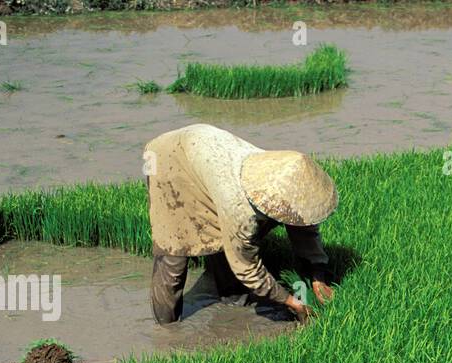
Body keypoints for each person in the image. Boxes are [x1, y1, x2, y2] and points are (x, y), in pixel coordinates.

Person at [143, 124, 338, 325]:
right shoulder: (239, 209)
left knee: (221, 234)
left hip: (204, 149)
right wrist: (292, 302)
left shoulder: (282, 171)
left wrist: (317, 274)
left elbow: (302, 226)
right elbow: (247, 268)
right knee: (174, 249)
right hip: (164, 158)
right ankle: (166, 330)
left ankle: (231, 302)